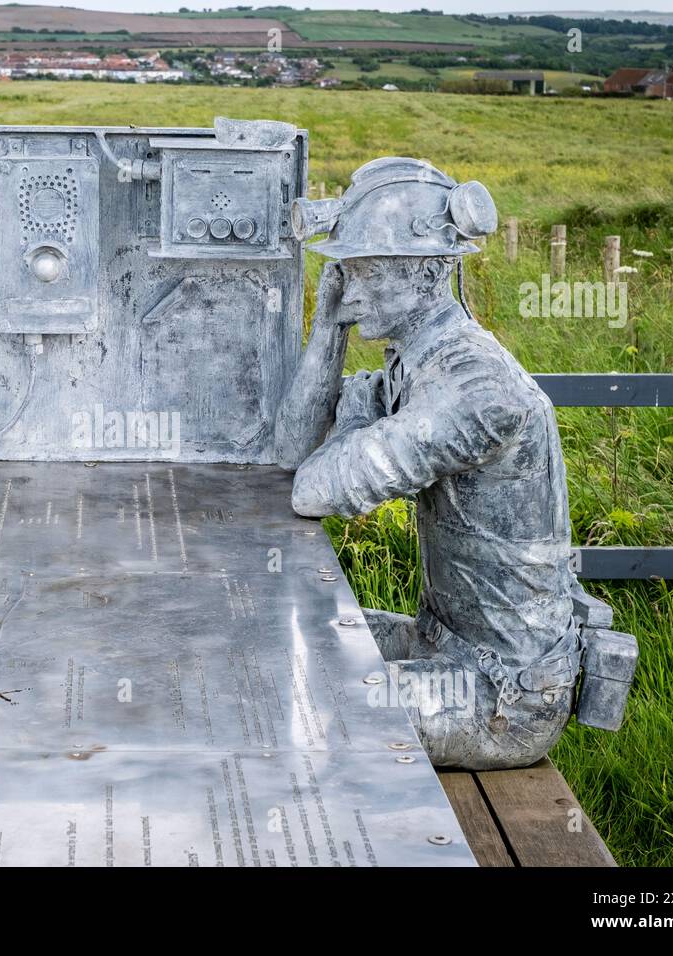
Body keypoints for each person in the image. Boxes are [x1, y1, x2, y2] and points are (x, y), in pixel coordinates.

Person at [274, 157, 582, 770]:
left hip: (503, 695)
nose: (351, 289)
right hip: (443, 644)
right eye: (345, 271)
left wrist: (351, 433)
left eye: (368, 272)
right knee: (288, 633)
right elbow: (290, 449)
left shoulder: (473, 388)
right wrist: (328, 329)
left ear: (431, 270)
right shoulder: (412, 361)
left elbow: (312, 490)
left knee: (310, 698)